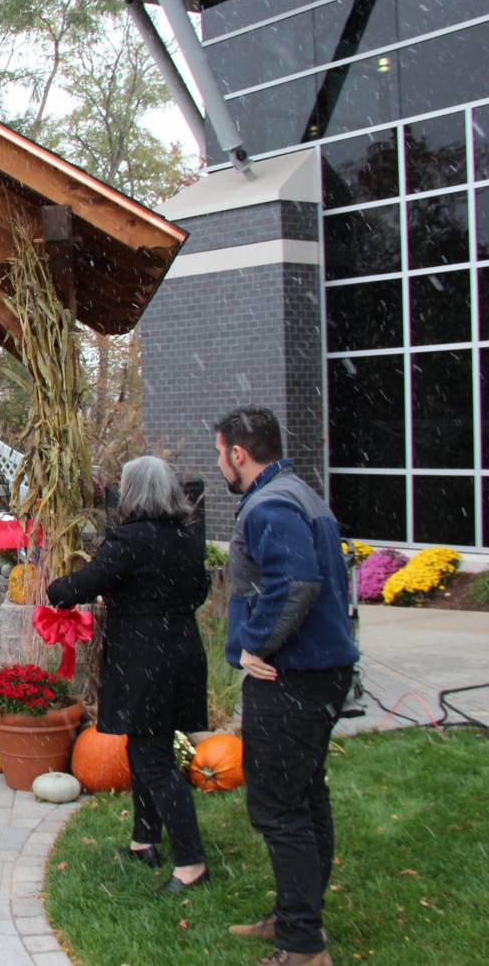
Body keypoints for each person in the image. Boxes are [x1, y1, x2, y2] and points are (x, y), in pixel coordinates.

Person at [214, 406, 358, 966]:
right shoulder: (298, 492)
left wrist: (255, 645)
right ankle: (299, 914)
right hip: (319, 670)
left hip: (294, 676)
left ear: (239, 454)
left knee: (277, 805)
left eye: (221, 452)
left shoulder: (272, 504)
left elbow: (296, 582)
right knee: (304, 793)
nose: (221, 463)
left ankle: (302, 946)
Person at [45, 456, 212, 893]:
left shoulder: (128, 540)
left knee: (153, 761)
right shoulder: (187, 537)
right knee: (145, 749)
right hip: (182, 652)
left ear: (133, 493)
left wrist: (55, 590)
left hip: (144, 659)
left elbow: (85, 583)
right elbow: (199, 592)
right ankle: (143, 841)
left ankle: (192, 863)